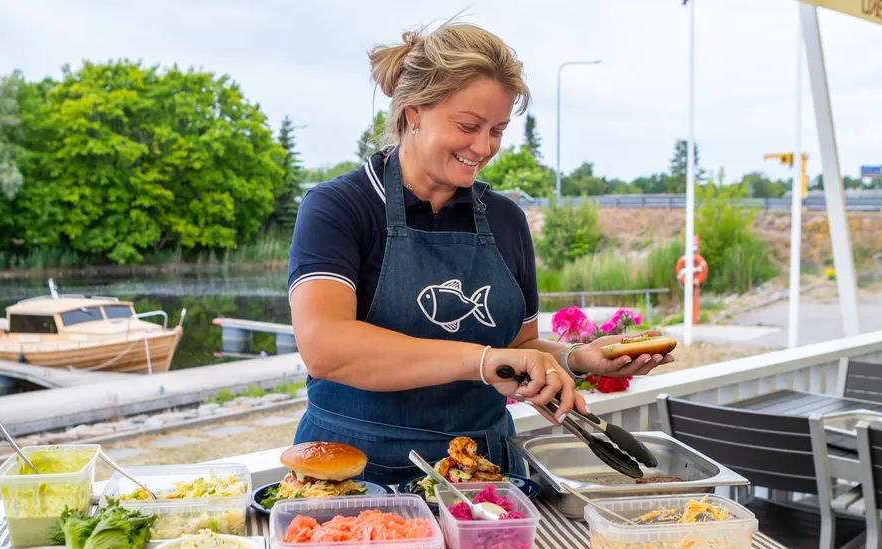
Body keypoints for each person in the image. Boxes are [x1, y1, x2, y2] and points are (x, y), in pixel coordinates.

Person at [286, 21, 674, 485]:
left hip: (482, 476)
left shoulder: (505, 219)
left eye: (497, 130)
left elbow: (518, 348)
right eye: (469, 126)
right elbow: (325, 348)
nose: (484, 147)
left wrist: (577, 357)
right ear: (415, 111)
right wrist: (482, 362)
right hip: (352, 476)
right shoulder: (339, 207)